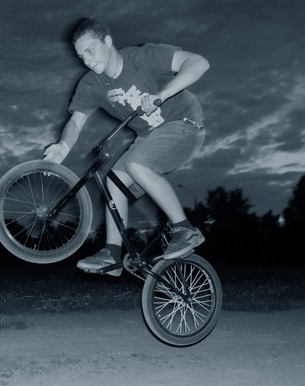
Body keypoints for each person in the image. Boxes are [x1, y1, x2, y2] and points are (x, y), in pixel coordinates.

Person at [43, 18, 209, 277]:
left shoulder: (144, 57)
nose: (87, 60)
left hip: (184, 123)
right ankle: (112, 253)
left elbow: (199, 62)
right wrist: (63, 146)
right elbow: (75, 122)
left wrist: (162, 95)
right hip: (149, 137)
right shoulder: (91, 84)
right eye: (81, 56)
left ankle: (185, 229)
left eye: (91, 51)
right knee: (114, 181)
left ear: (108, 42)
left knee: (136, 165)